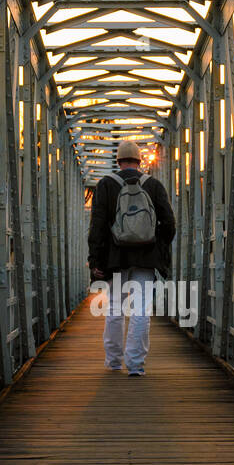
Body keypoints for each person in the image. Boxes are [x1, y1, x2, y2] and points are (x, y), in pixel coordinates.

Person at [88, 139, 175, 376]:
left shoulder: (106, 185)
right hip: (146, 259)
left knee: (115, 307)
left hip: (115, 259)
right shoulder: (153, 185)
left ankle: (114, 361)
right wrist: (157, 246)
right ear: (139, 161)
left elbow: (96, 226)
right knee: (141, 310)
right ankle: (135, 364)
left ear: (118, 161)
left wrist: (95, 260)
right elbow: (169, 224)